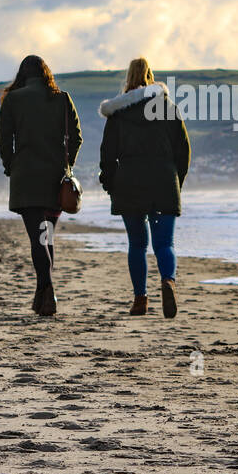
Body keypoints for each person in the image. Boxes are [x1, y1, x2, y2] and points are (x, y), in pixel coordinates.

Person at [98, 57, 190, 318]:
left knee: (137, 244)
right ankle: (168, 281)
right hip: (163, 182)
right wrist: (176, 181)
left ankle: (140, 299)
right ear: (151, 76)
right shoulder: (167, 107)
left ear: (128, 78)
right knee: (164, 244)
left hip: (130, 184)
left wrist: (110, 184)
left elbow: (107, 154)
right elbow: (183, 150)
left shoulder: (117, 114)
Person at [0, 55, 81, 316]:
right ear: (46, 73)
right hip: (54, 179)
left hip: (26, 179)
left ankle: (48, 292)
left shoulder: (12, 100)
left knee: (38, 239)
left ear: (22, 74)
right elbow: (76, 138)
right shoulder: (62, 98)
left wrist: (11, 166)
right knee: (47, 237)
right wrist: (68, 166)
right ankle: (42, 296)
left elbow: (3, 141)